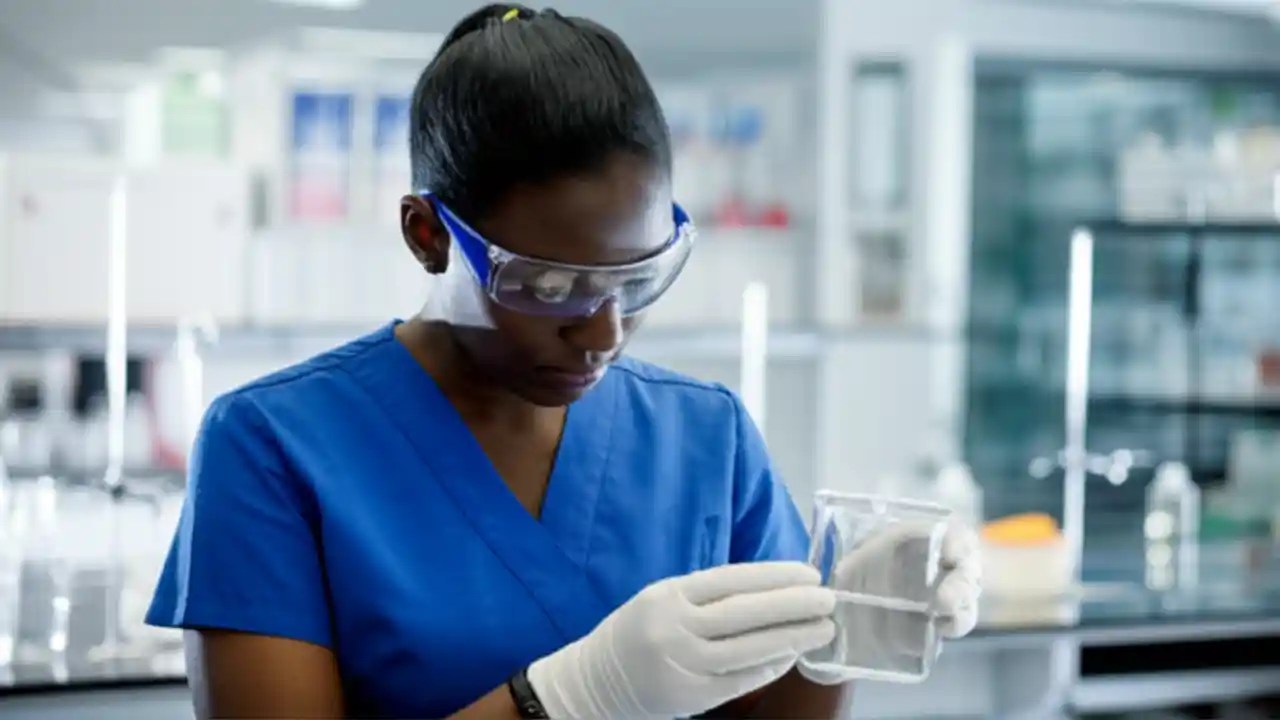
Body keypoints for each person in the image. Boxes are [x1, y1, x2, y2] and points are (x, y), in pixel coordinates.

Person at [145, 5, 981, 719]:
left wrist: (837, 641)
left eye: (639, 278)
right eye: (549, 285)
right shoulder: (274, 446)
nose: (604, 332)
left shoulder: (705, 436)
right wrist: (569, 697)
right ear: (427, 236)